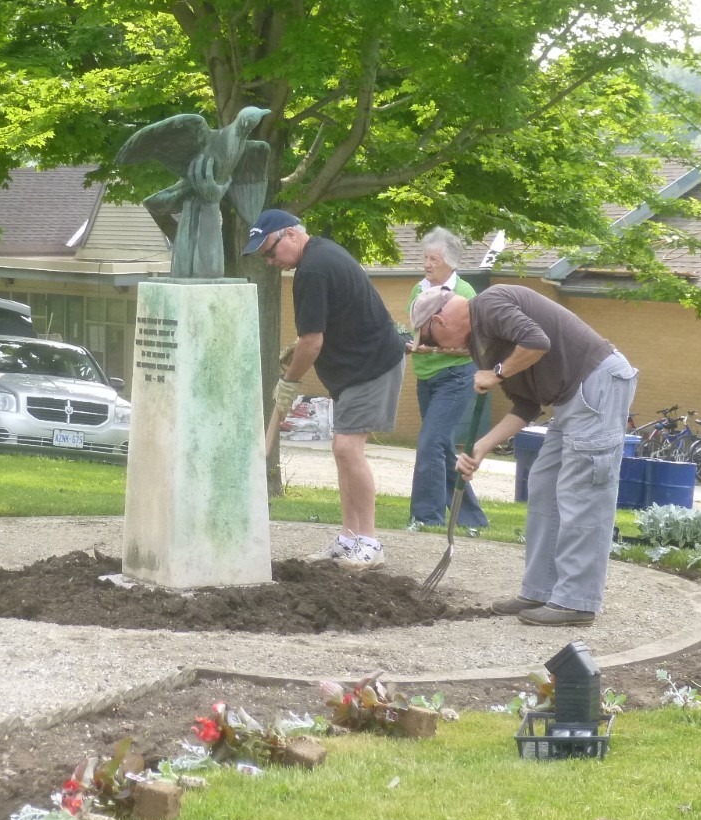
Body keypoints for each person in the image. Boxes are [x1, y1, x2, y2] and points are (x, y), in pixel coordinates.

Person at [410, 283, 637, 626]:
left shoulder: (489, 303)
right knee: (544, 485)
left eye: (431, 341)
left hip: (597, 383)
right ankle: (540, 591)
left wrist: (497, 373)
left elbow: (537, 341)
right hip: (569, 399)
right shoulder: (481, 346)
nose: (439, 349)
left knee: (582, 493)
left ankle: (576, 602)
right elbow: (527, 403)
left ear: (438, 322)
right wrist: (480, 448)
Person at [244, 208, 406, 568]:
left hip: (372, 366)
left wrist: (288, 383)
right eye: (264, 256)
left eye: (269, 250)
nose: (270, 261)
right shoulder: (319, 256)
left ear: (290, 234)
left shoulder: (313, 270)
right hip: (356, 369)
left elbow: (313, 342)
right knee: (342, 452)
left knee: (347, 448)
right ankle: (348, 539)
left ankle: (369, 543)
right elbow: (320, 331)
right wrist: (298, 349)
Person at [406, 228, 489, 534]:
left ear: (451, 263)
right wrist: (415, 344)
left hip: (455, 376)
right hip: (426, 376)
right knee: (440, 446)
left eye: (434, 259)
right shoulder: (419, 290)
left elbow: (476, 343)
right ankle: (471, 518)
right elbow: (416, 329)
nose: (427, 264)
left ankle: (426, 518)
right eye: (426, 257)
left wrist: (440, 347)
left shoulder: (466, 295)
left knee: (429, 444)